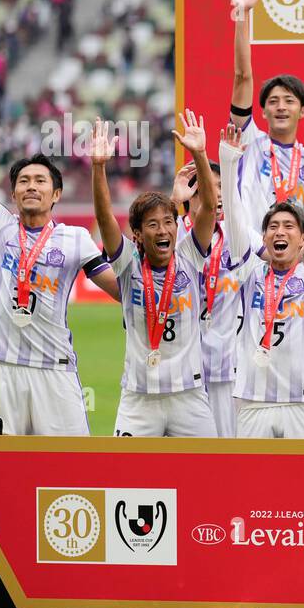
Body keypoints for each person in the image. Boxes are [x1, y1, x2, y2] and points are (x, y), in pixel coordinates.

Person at [0, 63, 118, 436]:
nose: (31, 186)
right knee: (3, 470)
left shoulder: (75, 239)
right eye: (23, 181)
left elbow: (120, 290)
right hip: (5, 370)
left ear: (56, 194)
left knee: (73, 469)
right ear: (12, 194)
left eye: (41, 181)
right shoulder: (1, 227)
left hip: (55, 369)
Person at [91, 113, 218, 438]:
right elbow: (105, 217)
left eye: (168, 222)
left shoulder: (189, 255)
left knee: (205, 480)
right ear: (137, 234)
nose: (163, 230)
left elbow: (208, 207)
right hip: (138, 399)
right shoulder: (126, 266)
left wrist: (200, 155)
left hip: (188, 397)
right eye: (152, 224)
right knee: (128, 480)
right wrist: (99, 167)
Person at [219, 125, 304, 439]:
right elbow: (233, 218)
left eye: (289, 226)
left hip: (301, 401)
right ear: (263, 237)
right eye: (273, 226)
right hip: (253, 401)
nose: (280, 232)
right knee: (249, 485)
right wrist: (229, 160)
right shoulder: (249, 271)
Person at [226, 0, 304, 251]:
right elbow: (242, 76)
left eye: (289, 101)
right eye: (273, 102)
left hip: (295, 262)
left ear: (303, 111)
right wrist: (243, 16)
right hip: (250, 257)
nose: (281, 107)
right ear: (262, 112)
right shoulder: (250, 141)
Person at [169, 137, 238, 438]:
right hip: (177, 370)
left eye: (221, 186)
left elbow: (283, 259)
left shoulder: (239, 236)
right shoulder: (170, 233)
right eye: (210, 185)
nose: (217, 194)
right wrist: (173, 205)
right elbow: (141, 265)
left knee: (227, 457)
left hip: (225, 369)